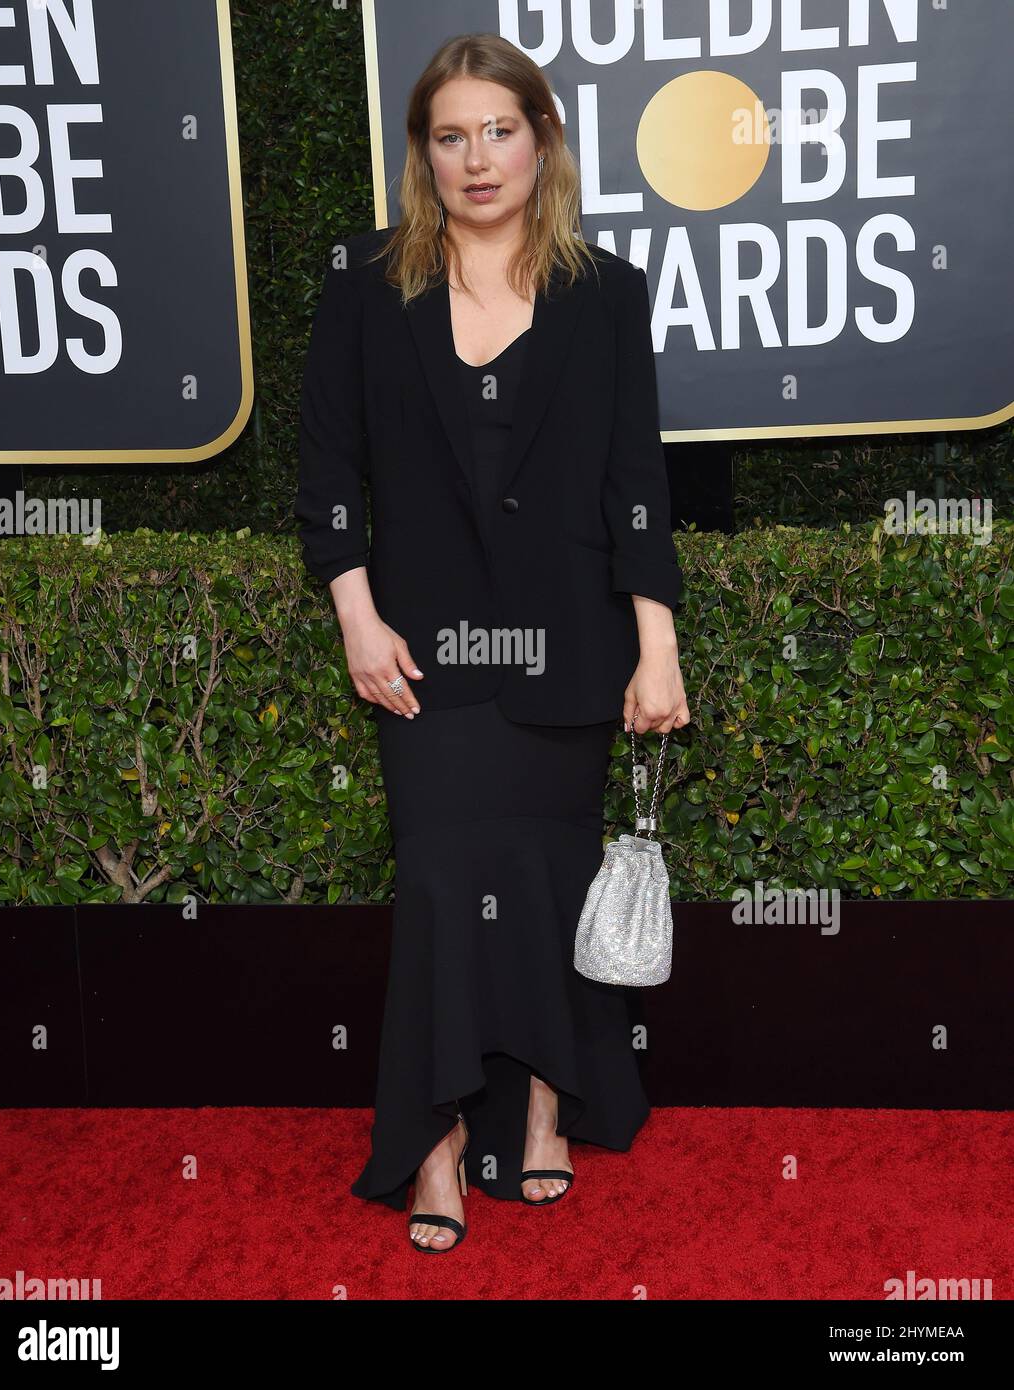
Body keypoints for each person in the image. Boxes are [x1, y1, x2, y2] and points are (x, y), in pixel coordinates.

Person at [295, 32, 690, 1252]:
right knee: (435, 887)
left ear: (541, 139)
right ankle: (427, 1143)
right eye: (450, 134)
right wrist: (356, 615)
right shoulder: (366, 284)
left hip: (566, 647)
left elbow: (636, 485)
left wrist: (656, 644)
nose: (476, 158)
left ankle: (540, 1117)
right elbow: (327, 472)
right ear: (423, 151)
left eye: (499, 129)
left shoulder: (606, 292)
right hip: (422, 654)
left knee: (548, 884)